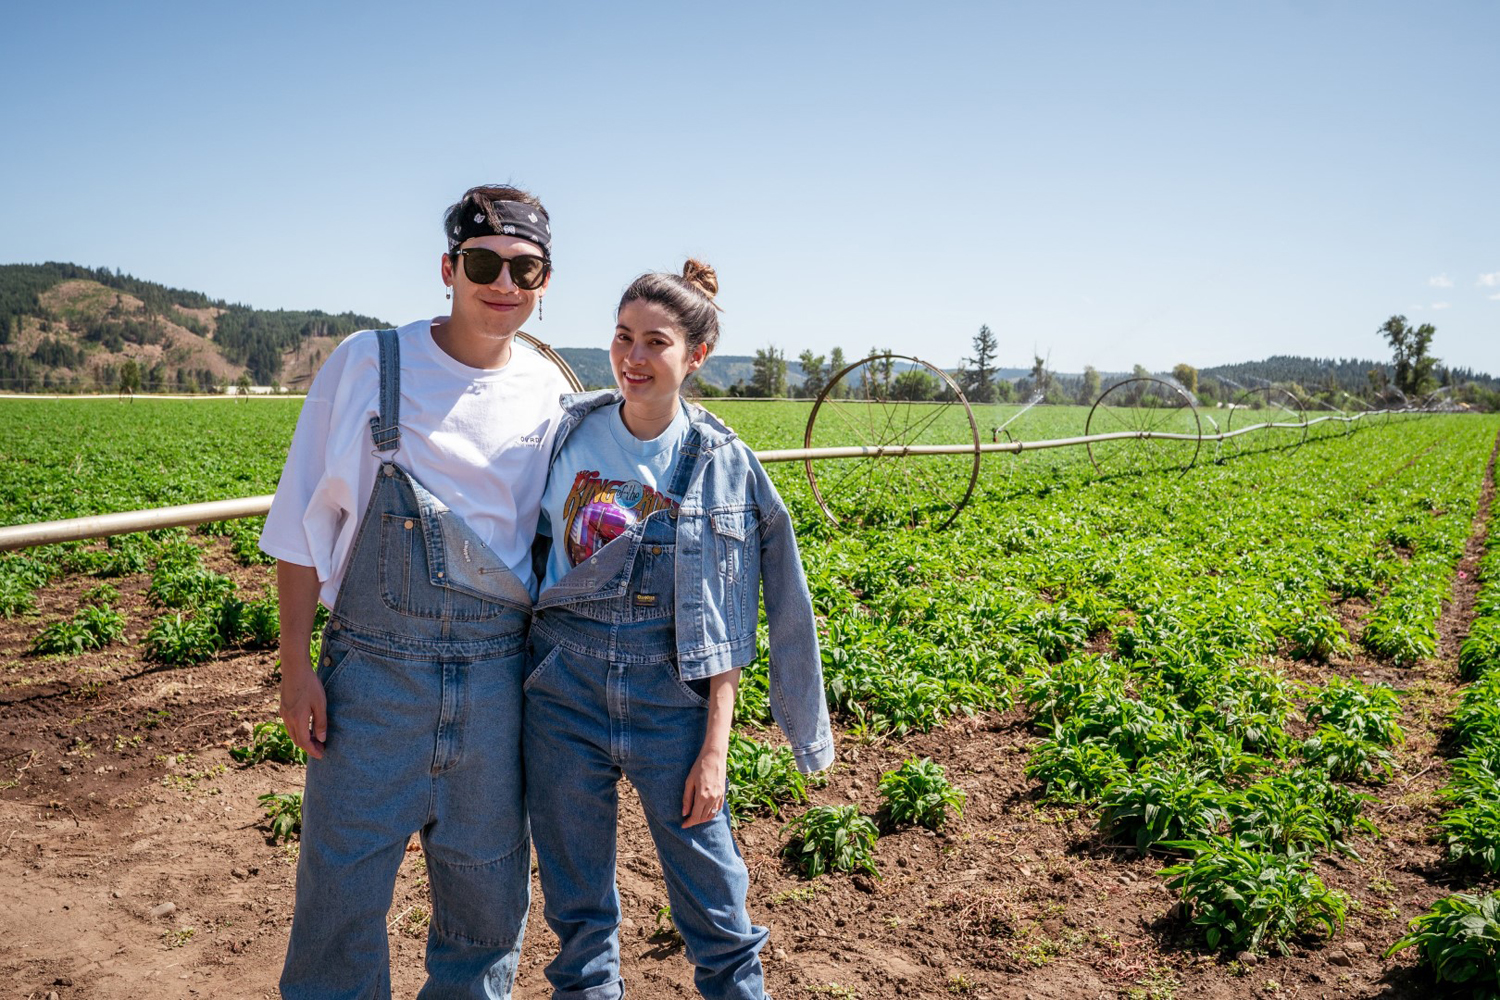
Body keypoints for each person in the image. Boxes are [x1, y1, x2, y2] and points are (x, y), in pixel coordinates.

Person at [258, 183, 570, 999]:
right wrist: (295, 666)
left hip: (499, 685)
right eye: (483, 263)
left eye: (525, 269)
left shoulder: (550, 387)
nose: (504, 284)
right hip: (372, 682)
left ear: (544, 281)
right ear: (448, 268)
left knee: (487, 908)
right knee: (339, 901)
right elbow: (301, 522)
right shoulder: (370, 362)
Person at [523, 259, 834, 1000]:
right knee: (578, 918)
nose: (633, 357)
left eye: (655, 342)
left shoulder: (725, 466)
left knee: (719, 914)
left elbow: (739, 617)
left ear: (696, 356)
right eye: (622, 336)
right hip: (561, 694)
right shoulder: (562, 436)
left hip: (674, 702)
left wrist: (715, 749)